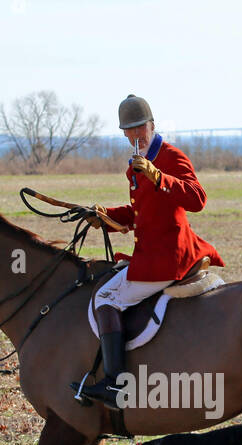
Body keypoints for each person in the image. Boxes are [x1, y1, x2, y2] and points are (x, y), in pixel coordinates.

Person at [71, 94, 223, 409]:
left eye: (139, 127)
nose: (134, 135)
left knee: (105, 297)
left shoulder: (169, 156)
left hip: (169, 256)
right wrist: (104, 215)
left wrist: (157, 176)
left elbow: (198, 199)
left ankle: (115, 386)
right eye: (128, 130)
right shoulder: (136, 166)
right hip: (151, 252)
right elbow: (141, 213)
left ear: (152, 125)